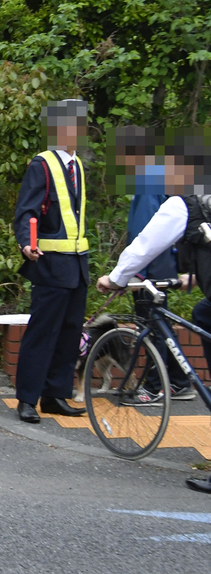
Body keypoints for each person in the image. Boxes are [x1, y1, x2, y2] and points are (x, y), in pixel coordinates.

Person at [97, 130, 211, 493]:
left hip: (150, 271)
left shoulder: (181, 202)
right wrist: (191, 275)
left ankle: (164, 385)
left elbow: (145, 241)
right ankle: (180, 382)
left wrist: (116, 278)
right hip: (186, 280)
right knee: (202, 312)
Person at [11, 99, 91, 424]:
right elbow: (26, 210)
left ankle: (56, 395)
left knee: (70, 333)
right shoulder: (41, 164)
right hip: (50, 263)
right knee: (42, 332)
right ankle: (27, 400)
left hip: (77, 265)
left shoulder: (79, 166)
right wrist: (25, 243)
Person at [111, 127, 192, 404]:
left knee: (152, 328)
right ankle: (181, 382)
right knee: (162, 327)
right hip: (159, 266)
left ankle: (154, 387)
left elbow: (145, 233)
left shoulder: (146, 183)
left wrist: (133, 272)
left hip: (151, 270)